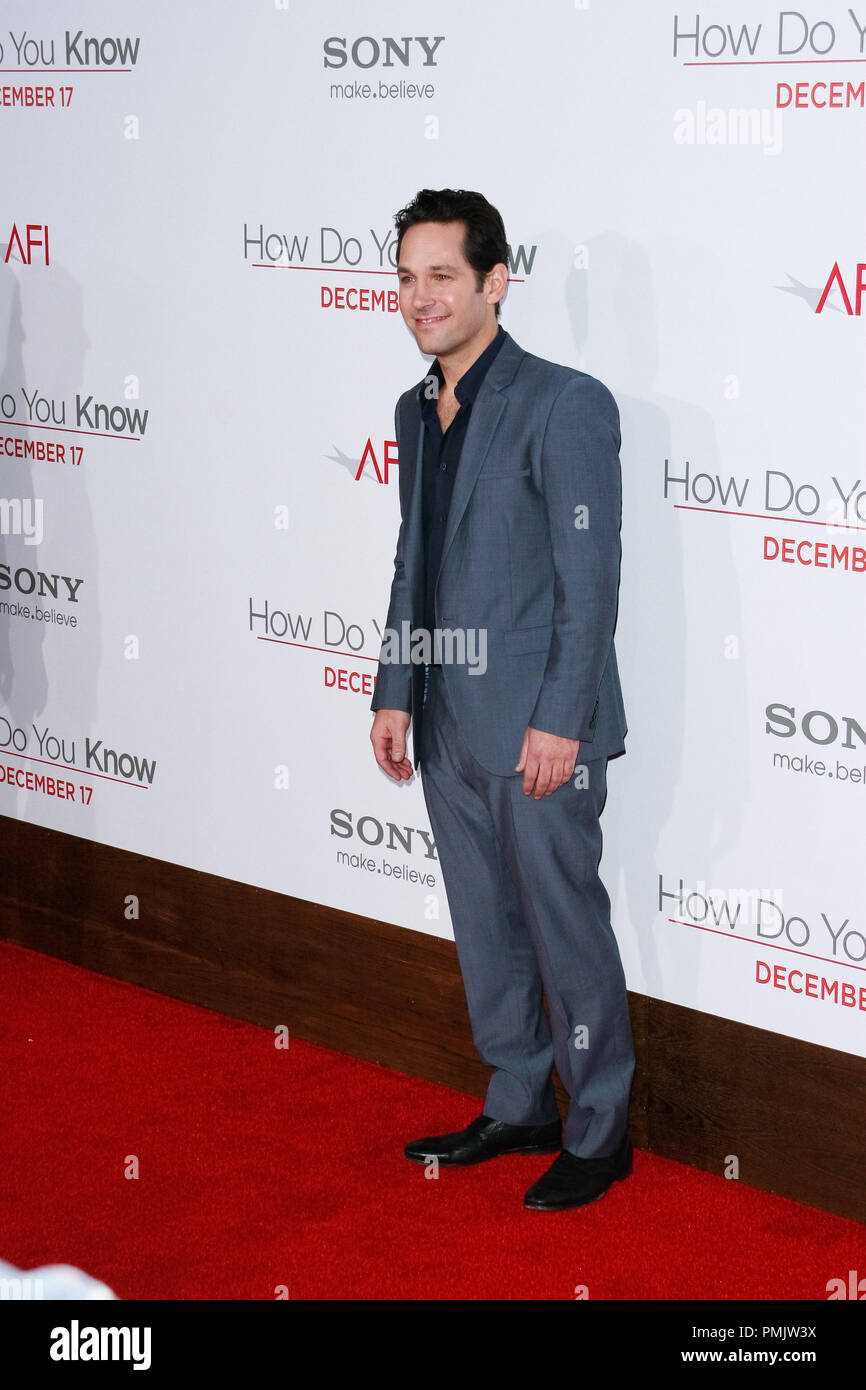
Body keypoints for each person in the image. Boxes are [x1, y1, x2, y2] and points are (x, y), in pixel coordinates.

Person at [369, 188, 634, 1211]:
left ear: (492, 282)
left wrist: (561, 717)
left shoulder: (563, 401)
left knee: (566, 935)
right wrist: (395, 690)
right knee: (485, 928)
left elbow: (589, 577)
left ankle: (599, 1127)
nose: (418, 296)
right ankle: (519, 1096)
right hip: (444, 724)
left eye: (440, 274)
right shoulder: (413, 408)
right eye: (404, 275)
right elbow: (413, 562)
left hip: (537, 731)